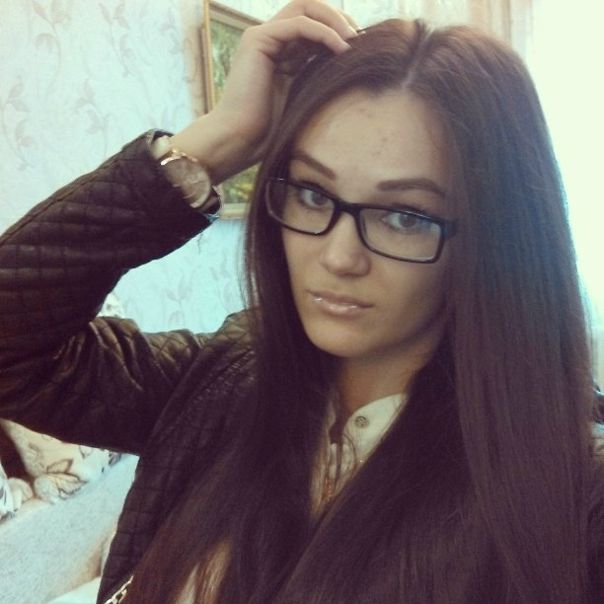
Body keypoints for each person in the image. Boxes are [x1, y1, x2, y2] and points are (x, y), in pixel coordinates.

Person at [0, 1, 603, 602]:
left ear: (493, 238)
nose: (338, 257)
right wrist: (216, 141)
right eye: (313, 193)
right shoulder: (225, 378)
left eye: (404, 216)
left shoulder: (570, 492)